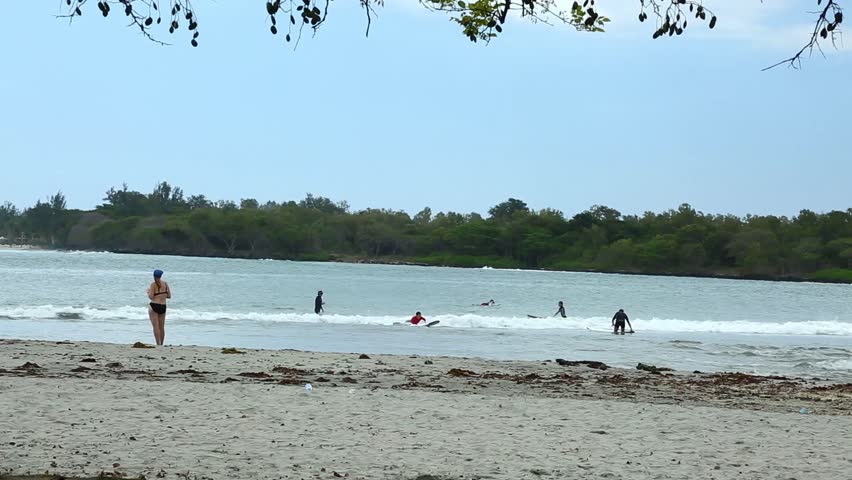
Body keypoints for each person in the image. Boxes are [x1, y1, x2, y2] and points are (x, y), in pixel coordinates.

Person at [147, 269, 171, 346]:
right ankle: (162, 343)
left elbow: (151, 297)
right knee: (162, 327)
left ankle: (158, 343)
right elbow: (169, 296)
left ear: (154, 276)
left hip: (154, 305)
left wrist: (148, 292)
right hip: (163, 306)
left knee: (156, 326)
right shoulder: (165, 284)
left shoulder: (153, 284)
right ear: (161, 276)